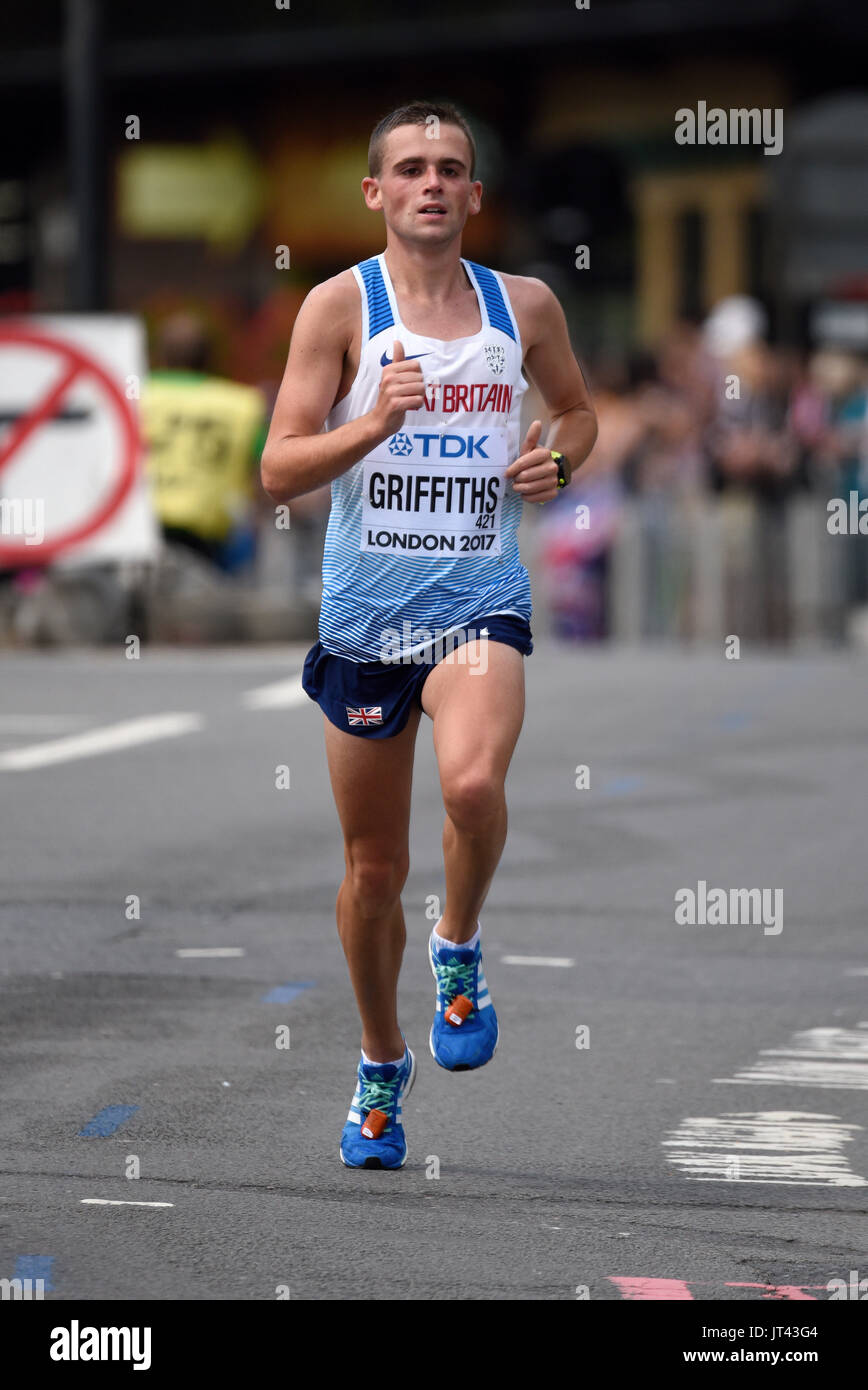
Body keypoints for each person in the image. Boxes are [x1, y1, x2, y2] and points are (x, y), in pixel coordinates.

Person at [261, 101, 597, 1168]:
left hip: (476, 607)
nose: (431, 184)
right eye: (409, 168)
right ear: (377, 192)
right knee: (370, 872)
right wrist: (372, 423)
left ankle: (456, 946)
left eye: (450, 168)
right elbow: (278, 466)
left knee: (470, 788)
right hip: (365, 621)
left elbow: (579, 413)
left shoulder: (524, 305)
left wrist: (561, 459)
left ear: (475, 196)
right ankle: (378, 1061)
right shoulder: (337, 307)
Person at [142, 313, 267, 574]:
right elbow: (265, 478)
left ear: (160, 355)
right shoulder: (242, 404)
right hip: (209, 542)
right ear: (209, 359)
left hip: (140, 530)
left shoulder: (131, 399)